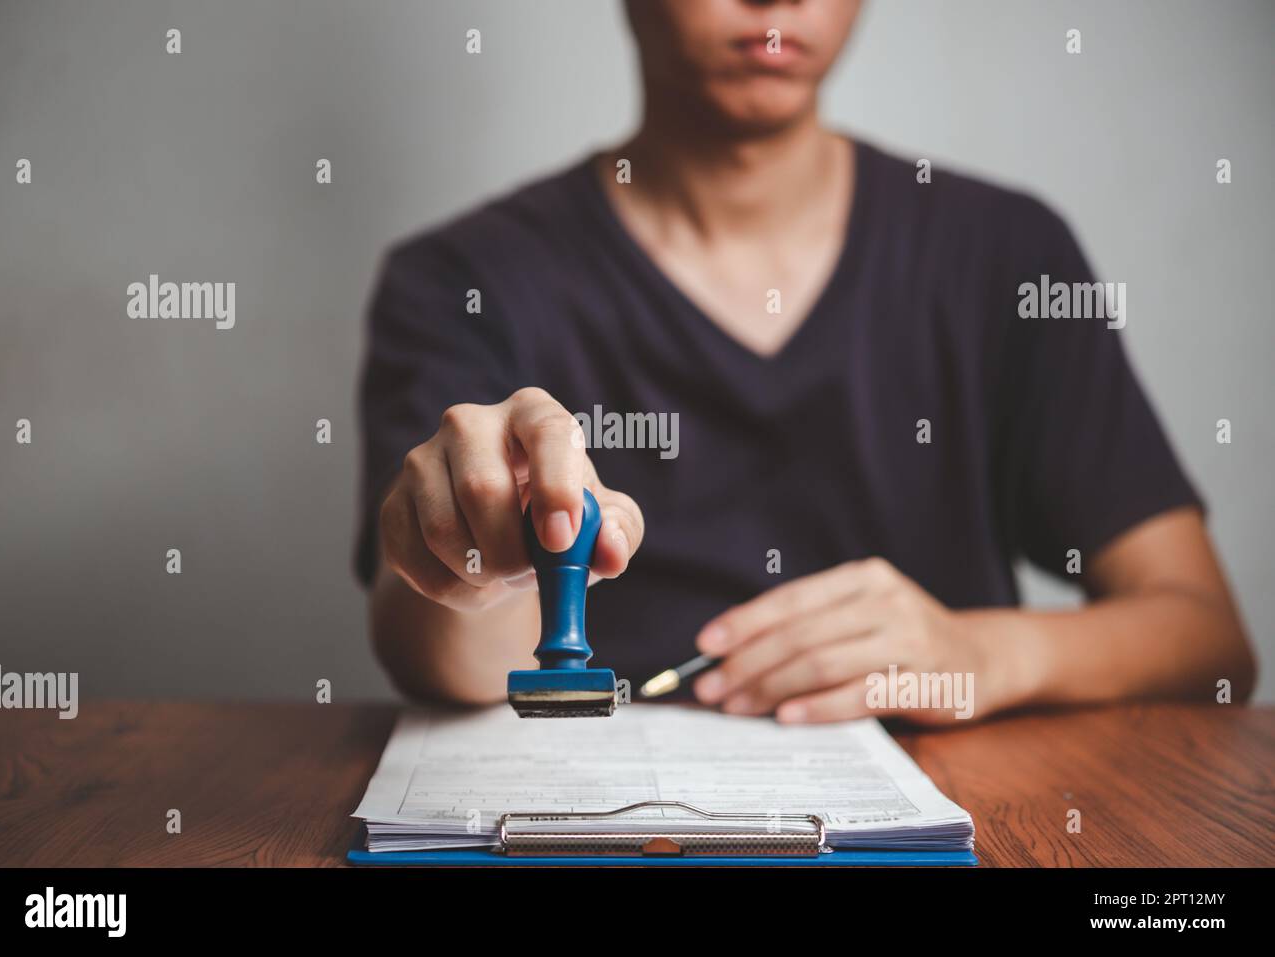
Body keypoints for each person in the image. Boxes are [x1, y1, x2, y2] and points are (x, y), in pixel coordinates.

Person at [355, 0, 1254, 724]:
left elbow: (1207, 636)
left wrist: (984, 655)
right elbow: (436, 656)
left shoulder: (1009, 255)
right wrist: (480, 570)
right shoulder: (459, 279)